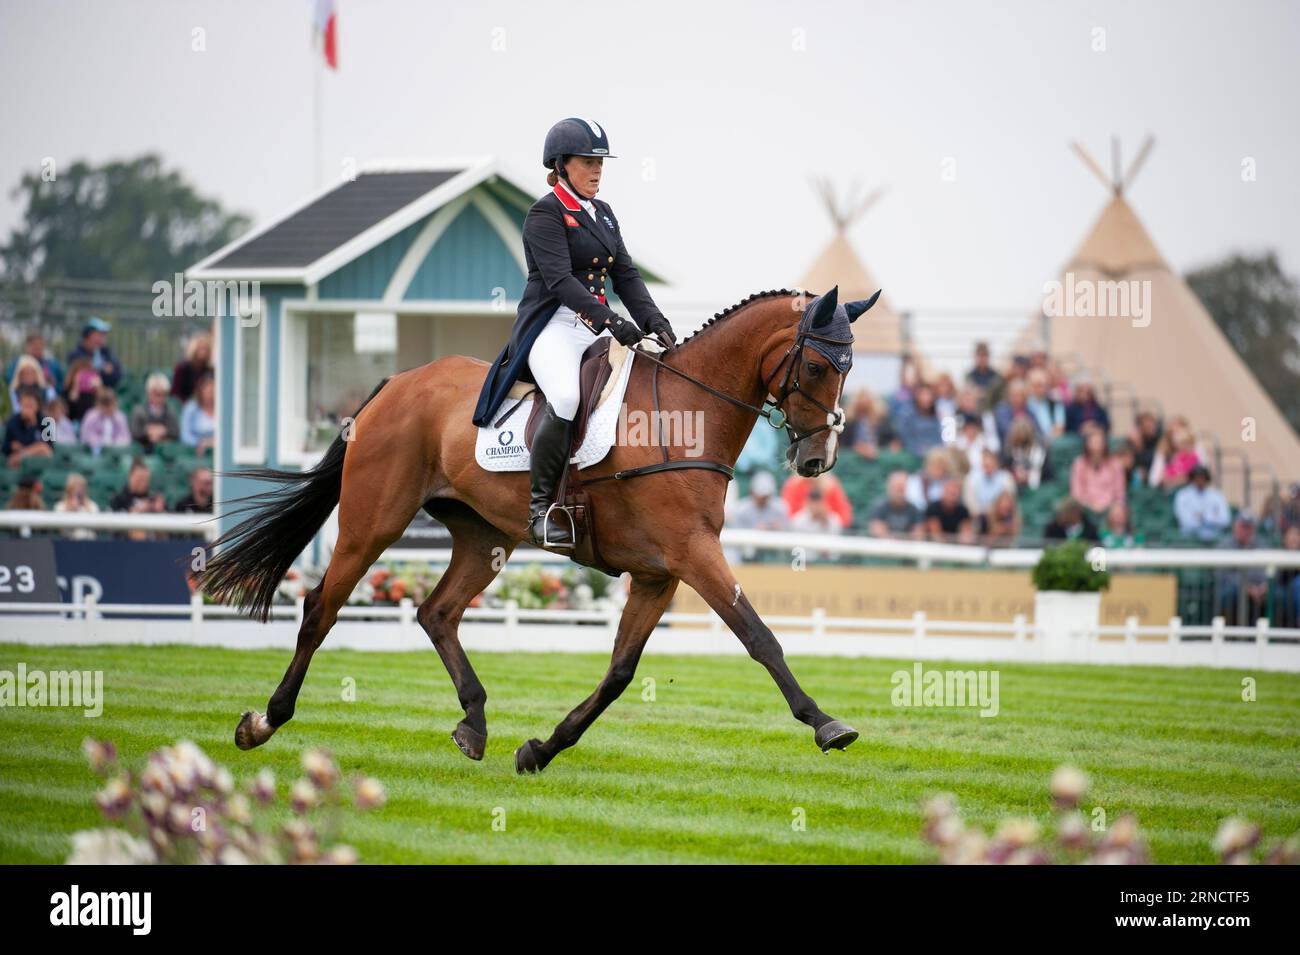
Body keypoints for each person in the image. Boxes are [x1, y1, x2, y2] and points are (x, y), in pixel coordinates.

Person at [471, 118, 676, 547]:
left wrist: (655, 320)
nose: (597, 170)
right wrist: (614, 321)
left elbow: (626, 273)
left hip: (595, 328)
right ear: (561, 165)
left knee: (639, 384)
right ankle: (541, 509)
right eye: (587, 162)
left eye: (600, 162)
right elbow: (561, 281)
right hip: (553, 328)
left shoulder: (603, 213)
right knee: (565, 397)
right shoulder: (544, 213)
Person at [1216, 511, 1268, 626]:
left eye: (1249, 527)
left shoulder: (1261, 544)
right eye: (1243, 526)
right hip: (1236, 590)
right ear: (1235, 527)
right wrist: (1246, 587)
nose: (1246, 530)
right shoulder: (1225, 545)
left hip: (1259, 589)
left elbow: (1266, 571)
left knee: (1277, 595)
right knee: (1229, 594)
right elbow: (1223, 574)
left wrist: (1264, 586)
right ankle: (1230, 636)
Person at [1069, 424, 1126, 514]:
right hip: (1085, 509)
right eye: (1093, 441)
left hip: (1110, 509)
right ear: (1087, 443)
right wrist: (1090, 505)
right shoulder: (1079, 463)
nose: (1096, 443)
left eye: (1099, 441)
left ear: (1105, 443)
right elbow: (1076, 493)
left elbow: (1120, 493)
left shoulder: (1115, 463)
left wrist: (1109, 505)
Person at [4, 331, 64, 406]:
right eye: (34, 345)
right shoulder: (17, 363)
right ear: (27, 347)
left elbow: (61, 385)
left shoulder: (52, 365)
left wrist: (53, 385)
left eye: (40, 345)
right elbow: (9, 381)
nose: (38, 348)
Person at [1173, 465, 1231, 542]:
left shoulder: (1217, 495)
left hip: (1214, 539)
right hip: (1190, 539)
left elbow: (1224, 520)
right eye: (1197, 477)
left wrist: (1203, 517)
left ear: (1207, 478)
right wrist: (1212, 517)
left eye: (1202, 477)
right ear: (1192, 479)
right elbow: (1186, 522)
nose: (1200, 480)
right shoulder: (1183, 495)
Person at [65, 316, 123, 389]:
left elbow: (116, 374)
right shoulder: (76, 355)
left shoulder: (106, 353)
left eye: (104, 334)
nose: (103, 337)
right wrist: (102, 371)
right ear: (89, 335)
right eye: (100, 334)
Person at [867, 470, 924, 540]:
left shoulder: (914, 509)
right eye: (897, 488)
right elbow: (877, 532)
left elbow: (918, 535)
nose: (899, 492)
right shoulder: (879, 507)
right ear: (889, 487)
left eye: (902, 488)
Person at [4, 387, 53, 468]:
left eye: (30, 405)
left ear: (38, 406)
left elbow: (49, 447)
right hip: (17, 461)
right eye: (24, 405)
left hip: (39, 457)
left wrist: (32, 425)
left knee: (43, 448)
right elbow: (5, 447)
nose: (27, 409)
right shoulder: (13, 421)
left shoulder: (48, 421)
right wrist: (11, 446)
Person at [131, 373, 181, 452]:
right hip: (142, 451)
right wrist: (148, 431)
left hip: (166, 452)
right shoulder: (139, 411)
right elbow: (135, 433)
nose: (159, 398)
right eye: (156, 394)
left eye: (163, 394)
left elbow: (175, 433)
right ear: (149, 393)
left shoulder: (171, 412)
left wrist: (164, 432)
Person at [964, 447, 1016, 519]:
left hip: (1000, 517)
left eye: (991, 464)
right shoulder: (972, 478)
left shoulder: (1006, 478)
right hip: (979, 517)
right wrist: (984, 513)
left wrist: (994, 512)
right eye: (986, 465)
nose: (989, 468)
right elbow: (970, 503)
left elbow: (1009, 501)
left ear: (996, 463)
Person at [78, 387, 131, 454]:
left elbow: (125, 437)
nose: (110, 409)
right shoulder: (91, 417)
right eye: (107, 407)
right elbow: (86, 437)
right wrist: (101, 444)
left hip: (116, 452)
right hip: (94, 452)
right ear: (100, 405)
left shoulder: (120, 417)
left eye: (112, 405)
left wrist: (114, 445)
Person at [925, 477, 974, 543]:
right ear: (944, 491)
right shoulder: (933, 508)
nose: (952, 495)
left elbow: (966, 534)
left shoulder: (962, 510)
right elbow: (936, 534)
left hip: (955, 546)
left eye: (954, 493)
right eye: (950, 492)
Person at [54, 472, 99, 540]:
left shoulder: (92, 506)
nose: (78, 492)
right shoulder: (60, 506)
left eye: (81, 487)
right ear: (69, 490)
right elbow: (60, 528)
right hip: (67, 543)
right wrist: (71, 510)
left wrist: (87, 509)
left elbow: (96, 527)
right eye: (74, 487)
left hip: (89, 543)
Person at [181, 372, 216, 454]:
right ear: (201, 390)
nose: (211, 391)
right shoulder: (191, 407)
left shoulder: (222, 408)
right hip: (195, 452)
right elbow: (185, 435)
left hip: (218, 450)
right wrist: (200, 442)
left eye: (213, 387)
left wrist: (215, 442)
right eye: (207, 387)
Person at [171, 333, 212, 403]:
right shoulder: (182, 368)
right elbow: (175, 393)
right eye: (201, 348)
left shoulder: (209, 370)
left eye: (206, 349)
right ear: (194, 349)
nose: (203, 352)